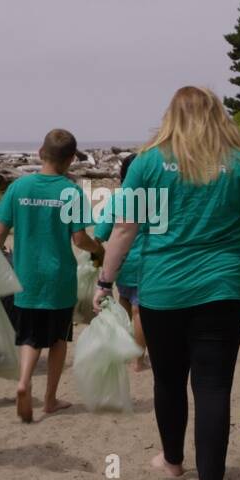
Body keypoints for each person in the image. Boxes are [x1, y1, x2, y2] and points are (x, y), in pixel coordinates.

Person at [94, 87, 240, 480]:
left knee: (169, 380)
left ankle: (173, 462)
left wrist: (105, 281)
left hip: (164, 291)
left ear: (171, 117)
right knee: (214, 388)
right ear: (217, 115)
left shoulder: (147, 164)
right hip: (223, 288)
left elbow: (125, 228)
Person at [0, 129, 104, 423]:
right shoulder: (70, 192)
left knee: (29, 336)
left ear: (41, 153)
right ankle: (50, 400)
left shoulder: (19, 188)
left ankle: (24, 382)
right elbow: (79, 239)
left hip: (24, 277)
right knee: (57, 339)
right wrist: (99, 249)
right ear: (69, 160)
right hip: (58, 279)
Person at [93, 153, 148, 372]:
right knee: (139, 313)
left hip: (122, 265)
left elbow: (101, 234)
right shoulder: (159, 198)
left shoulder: (118, 198)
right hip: (148, 265)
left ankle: (127, 352)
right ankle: (138, 359)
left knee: (125, 307)